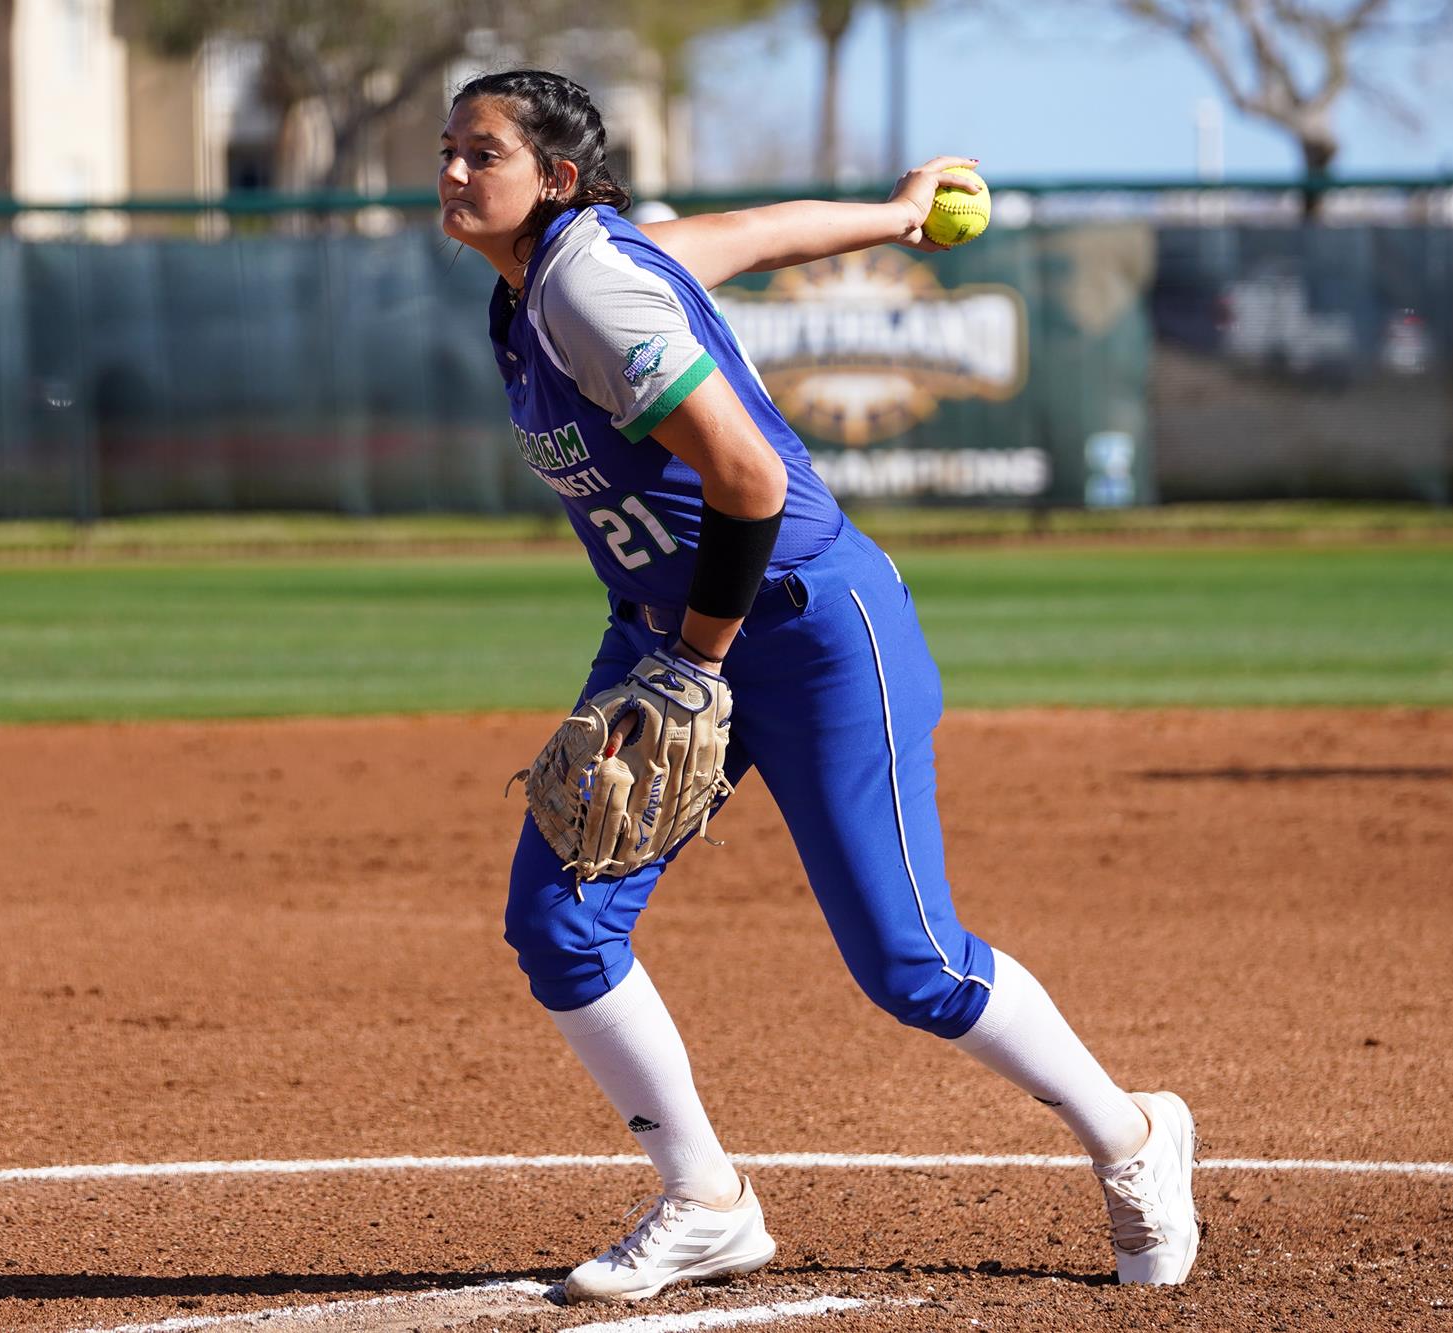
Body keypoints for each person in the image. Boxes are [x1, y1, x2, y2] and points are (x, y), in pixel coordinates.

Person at [439, 68, 1197, 1305]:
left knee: (909, 965)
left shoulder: (586, 281)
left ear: (555, 181)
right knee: (559, 920)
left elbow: (746, 482)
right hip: (668, 629)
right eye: (449, 150)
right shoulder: (552, 273)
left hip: (805, 625)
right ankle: (702, 1200)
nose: (454, 174)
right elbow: (743, 236)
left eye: (483, 154)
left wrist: (693, 661)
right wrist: (894, 215)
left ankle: (1132, 1138)